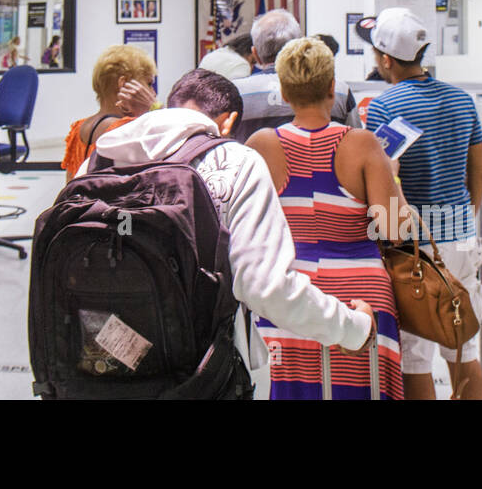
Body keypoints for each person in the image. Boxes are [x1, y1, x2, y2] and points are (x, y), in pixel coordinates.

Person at [77, 68, 376, 378]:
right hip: (195, 373)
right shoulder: (236, 161)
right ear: (229, 122)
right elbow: (265, 287)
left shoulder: (98, 161)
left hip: (95, 361)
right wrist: (352, 328)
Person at [246, 37, 408, 399]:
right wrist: (391, 174)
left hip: (287, 298)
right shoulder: (364, 145)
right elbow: (395, 229)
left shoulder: (260, 144)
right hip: (362, 304)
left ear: (284, 93)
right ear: (333, 88)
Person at [357, 7, 482, 400]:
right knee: (463, 346)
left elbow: (379, 179)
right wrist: (466, 218)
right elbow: (477, 172)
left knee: (415, 358)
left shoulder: (384, 106)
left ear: (384, 59)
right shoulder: (462, 100)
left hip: (415, 250)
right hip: (463, 240)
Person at [232, 9, 359, 144]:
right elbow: (355, 142)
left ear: (255, 53)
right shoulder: (338, 90)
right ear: (299, 46)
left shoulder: (235, 92)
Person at [61, 44, 157, 181]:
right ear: (123, 84)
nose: (153, 92)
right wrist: (152, 108)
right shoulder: (127, 128)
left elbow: (69, 185)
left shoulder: (78, 129)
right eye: (149, 84)